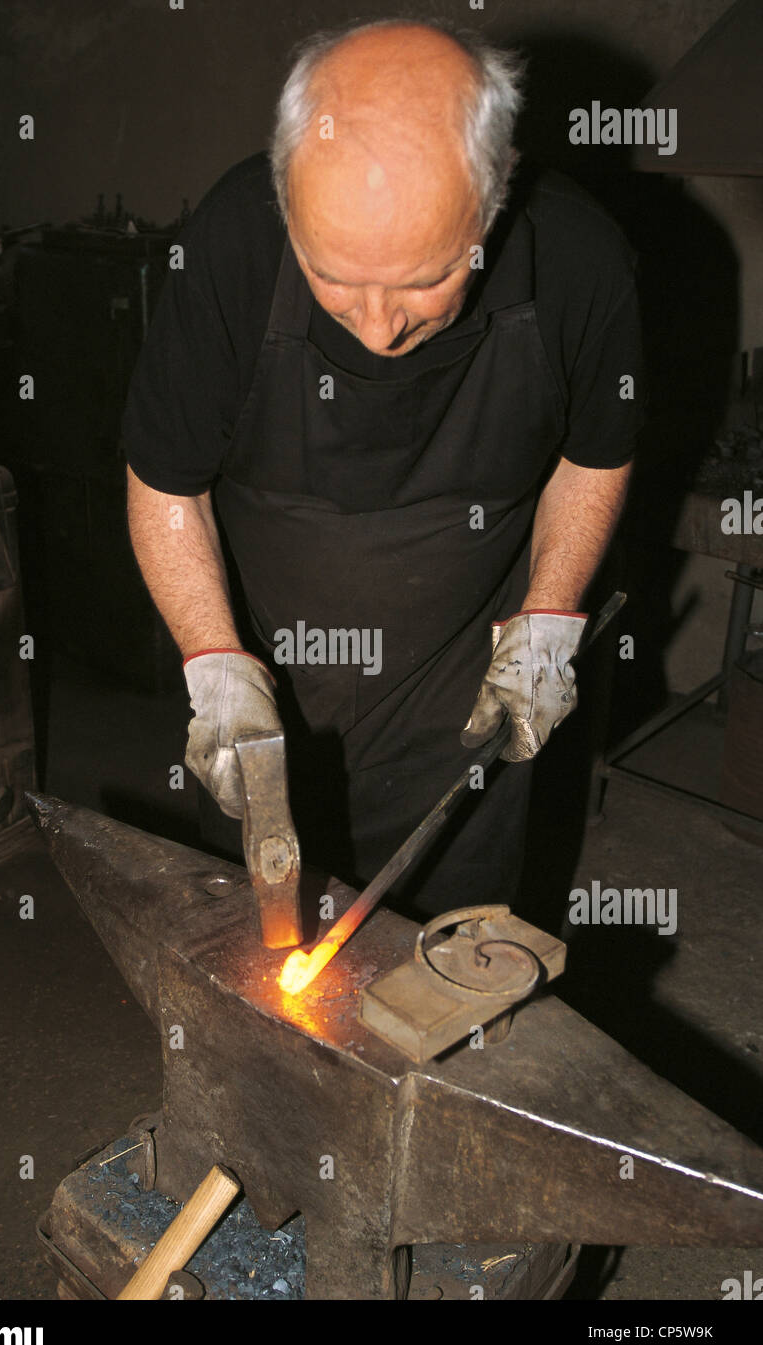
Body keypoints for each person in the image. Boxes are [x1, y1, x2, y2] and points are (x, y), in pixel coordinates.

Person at [123, 18, 641, 918]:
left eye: (424, 281)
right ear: (286, 200)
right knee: (257, 948)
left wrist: (549, 618)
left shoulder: (580, 260)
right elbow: (166, 480)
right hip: (272, 666)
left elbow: (595, 458)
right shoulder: (234, 241)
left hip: (460, 678)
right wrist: (213, 662)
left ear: (495, 194)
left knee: (448, 954)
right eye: (333, 279)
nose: (378, 327)